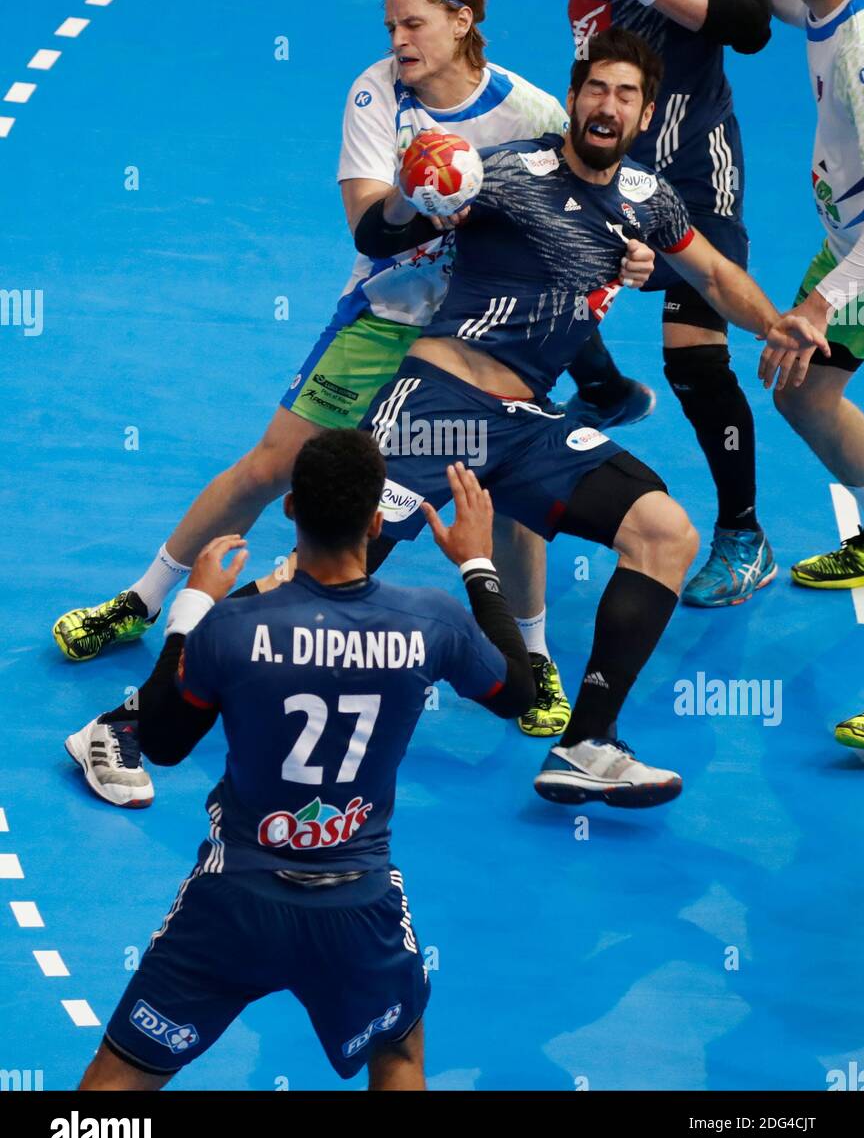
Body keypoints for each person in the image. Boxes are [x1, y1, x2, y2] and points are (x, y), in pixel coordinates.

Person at [53, 0, 600, 775]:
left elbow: (573, 219)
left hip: (489, 334)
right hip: (390, 311)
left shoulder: (532, 112)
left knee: (508, 491)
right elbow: (368, 229)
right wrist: (423, 193)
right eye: (391, 27)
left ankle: (533, 651)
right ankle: (142, 600)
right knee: (273, 464)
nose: (399, 41)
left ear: (463, 21)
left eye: (414, 24)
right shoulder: (377, 93)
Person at [357, 29, 826, 805]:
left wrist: (775, 322)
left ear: (643, 117)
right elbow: (381, 233)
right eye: (597, 90)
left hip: (529, 422)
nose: (609, 106)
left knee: (665, 532)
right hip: (438, 404)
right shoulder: (507, 173)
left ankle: (587, 743)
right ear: (574, 99)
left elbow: (712, 271)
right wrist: (411, 195)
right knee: (341, 563)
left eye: (627, 95)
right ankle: (141, 713)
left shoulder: (648, 201)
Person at [343, 0, 776, 608]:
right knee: (537, 266)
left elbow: (750, 21)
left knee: (693, 358)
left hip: (685, 160)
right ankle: (602, 391)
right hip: (601, 145)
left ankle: (742, 534)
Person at [75, 432, 534, 1090]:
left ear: (290, 510)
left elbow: (163, 740)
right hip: (358, 904)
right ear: (377, 522)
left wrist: (193, 607)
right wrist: (477, 566)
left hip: (234, 901)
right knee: (400, 1059)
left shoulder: (232, 628)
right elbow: (519, 691)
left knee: (121, 1074)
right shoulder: (432, 622)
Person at [755, 0, 864, 757]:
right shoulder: (830, 0)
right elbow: (789, 3)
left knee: (801, 364)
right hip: (849, 243)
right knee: (800, 392)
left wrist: (826, 302)